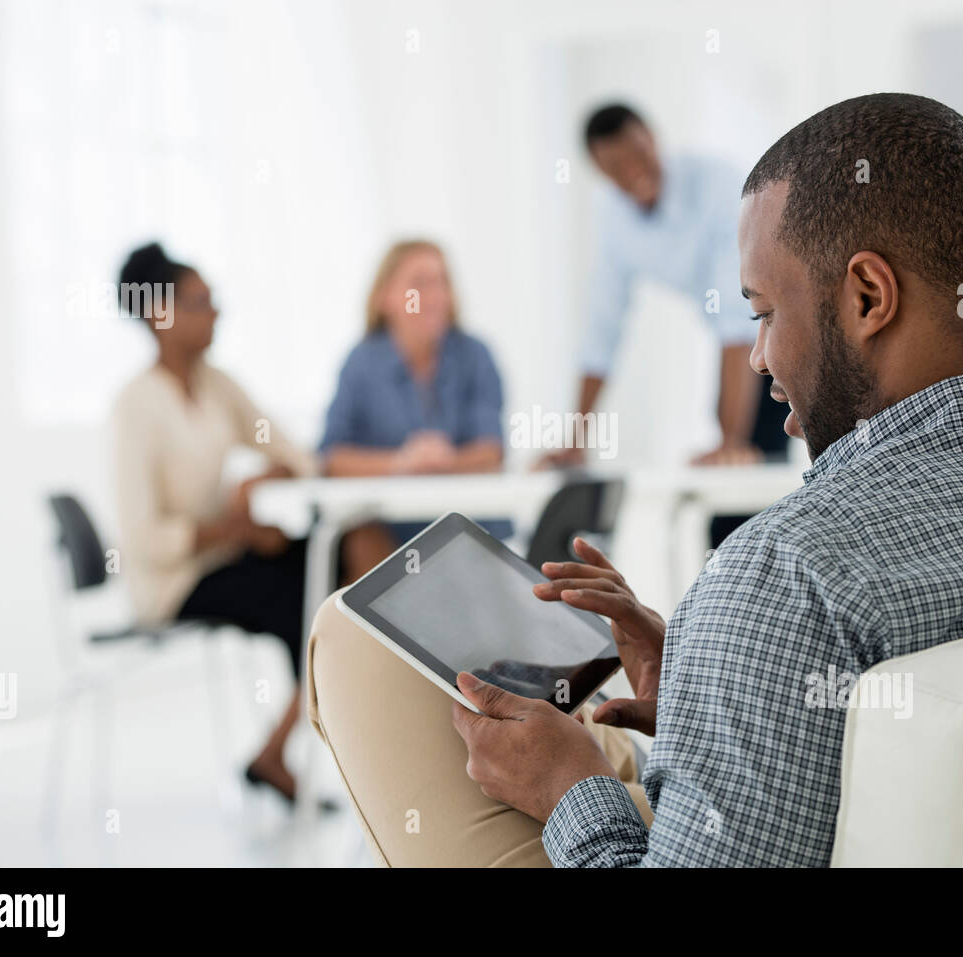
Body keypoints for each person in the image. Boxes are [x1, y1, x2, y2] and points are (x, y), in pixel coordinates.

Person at [305, 94, 963, 867]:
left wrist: (573, 789)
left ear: (867, 297)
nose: (762, 357)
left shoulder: (786, 580)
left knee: (353, 640)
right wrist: (714, 687)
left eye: (764, 311)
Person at [111, 242, 317, 805]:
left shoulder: (216, 385)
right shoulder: (135, 404)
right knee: (314, 597)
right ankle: (281, 750)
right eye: (200, 301)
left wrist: (263, 478)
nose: (215, 311)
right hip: (174, 584)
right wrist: (240, 530)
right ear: (160, 313)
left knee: (334, 561)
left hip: (224, 559)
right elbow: (145, 541)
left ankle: (276, 750)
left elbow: (296, 452)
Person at [540, 103, 792, 546]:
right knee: (728, 511)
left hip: (788, 318)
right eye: (615, 166)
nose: (633, 171)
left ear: (652, 137)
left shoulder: (714, 185)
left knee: (746, 490)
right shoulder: (615, 217)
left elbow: (735, 317)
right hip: (754, 328)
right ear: (600, 171)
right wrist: (575, 441)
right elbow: (603, 331)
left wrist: (731, 439)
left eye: (637, 153)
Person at [320, 240, 509, 580]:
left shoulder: (474, 355)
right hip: (392, 535)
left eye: (442, 282)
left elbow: (490, 451)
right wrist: (401, 463)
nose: (436, 295)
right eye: (420, 283)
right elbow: (332, 459)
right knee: (362, 541)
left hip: (471, 526)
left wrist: (446, 461)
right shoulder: (361, 364)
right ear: (384, 297)